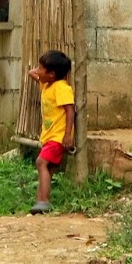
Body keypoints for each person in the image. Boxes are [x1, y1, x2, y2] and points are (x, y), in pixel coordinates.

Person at [28, 50, 75, 215]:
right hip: (49, 136)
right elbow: (31, 73)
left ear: (52, 74)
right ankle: (40, 201)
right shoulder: (48, 84)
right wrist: (42, 72)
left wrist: (67, 135)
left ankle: (44, 201)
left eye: (42, 68)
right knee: (47, 167)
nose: (38, 70)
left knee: (41, 163)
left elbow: (70, 111)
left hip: (58, 136)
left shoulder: (61, 88)